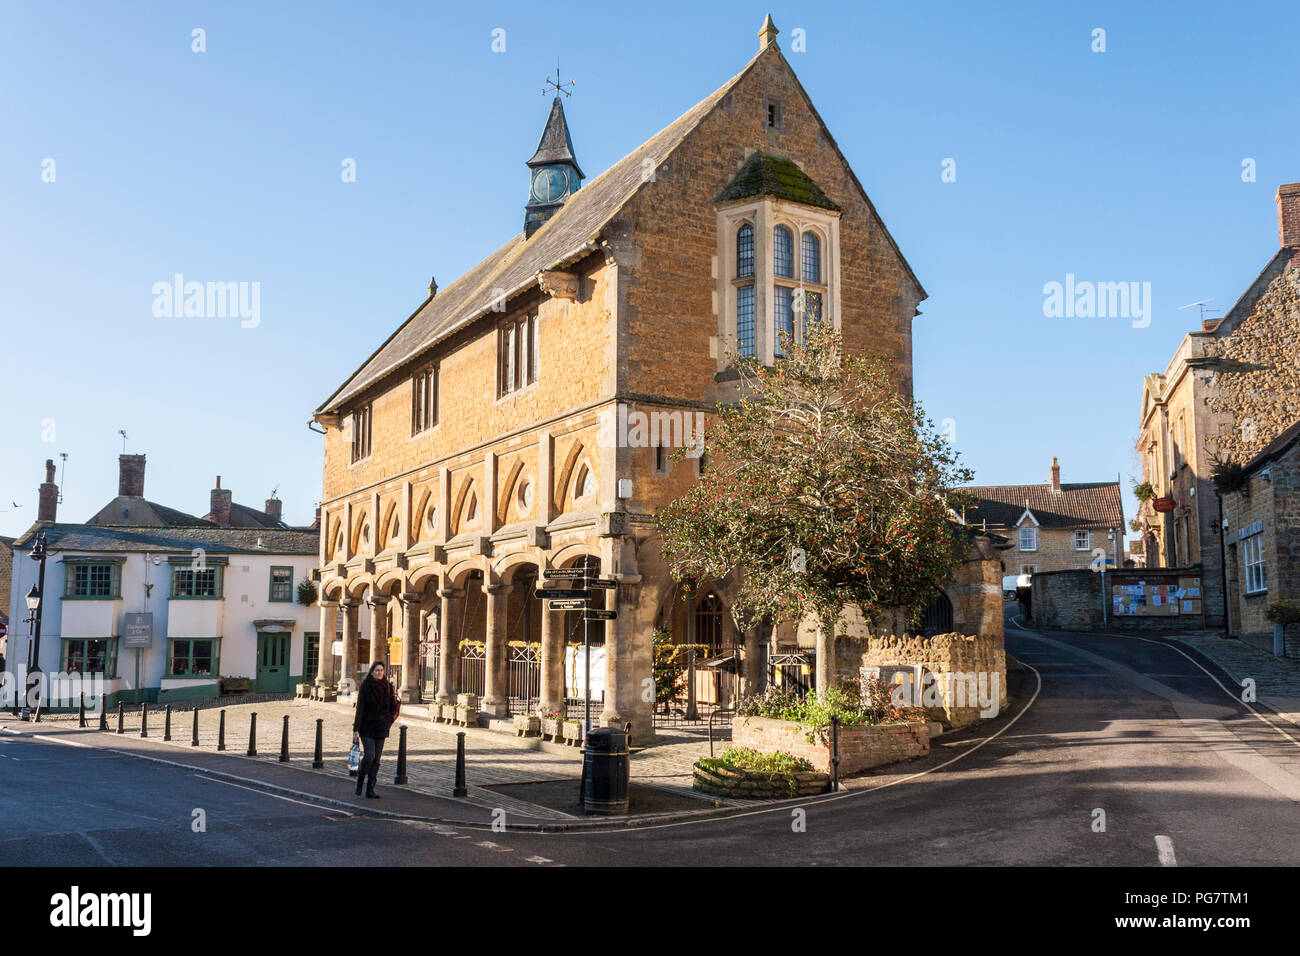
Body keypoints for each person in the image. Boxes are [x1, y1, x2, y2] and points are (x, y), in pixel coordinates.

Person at [352, 661, 398, 798]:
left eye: (381, 670)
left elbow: (393, 706)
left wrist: (388, 719)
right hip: (367, 727)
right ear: (372, 672)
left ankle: (370, 788)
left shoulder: (388, 687)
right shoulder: (366, 687)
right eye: (376, 670)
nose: (379, 672)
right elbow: (360, 709)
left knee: (377, 760)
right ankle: (360, 781)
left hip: (381, 728)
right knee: (369, 756)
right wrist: (356, 729)